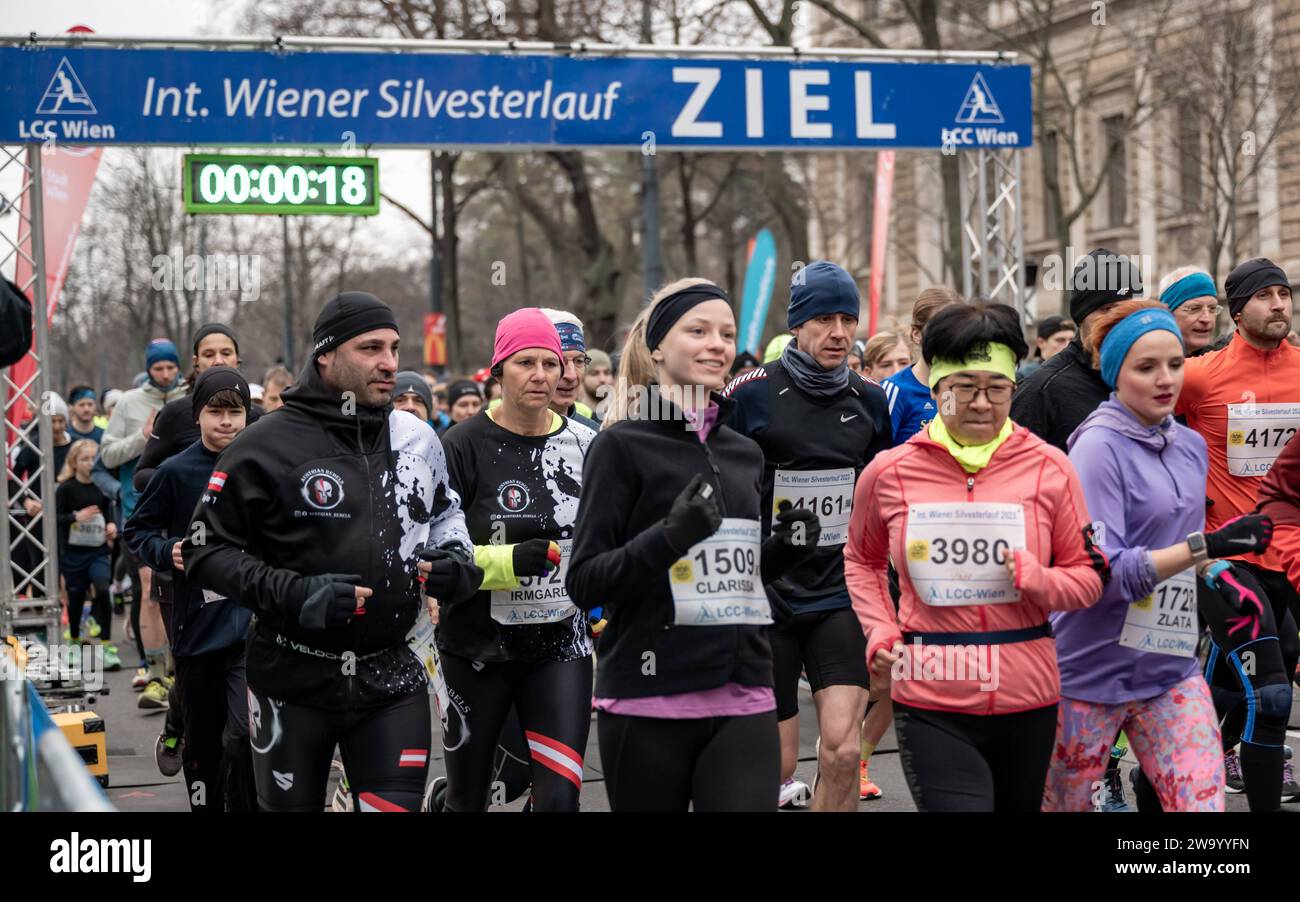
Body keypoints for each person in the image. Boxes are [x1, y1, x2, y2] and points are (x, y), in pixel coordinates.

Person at [185, 291, 481, 812]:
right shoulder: (264, 444)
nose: (389, 363)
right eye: (370, 349)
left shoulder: (415, 437)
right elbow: (205, 552)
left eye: (393, 348)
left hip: (394, 674)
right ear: (326, 355)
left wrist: (457, 559)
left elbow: (444, 514)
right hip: (291, 680)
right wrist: (296, 593)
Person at [845, 301, 1108, 811]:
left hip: (1029, 695)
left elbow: (1088, 580)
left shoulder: (1050, 467)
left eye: (997, 389)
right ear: (938, 389)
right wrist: (880, 630)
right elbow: (861, 559)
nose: (982, 403)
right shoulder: (890, 472)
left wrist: (1038, 580)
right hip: (931, 697)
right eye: (964, 388)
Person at [568, 278, 819, 812]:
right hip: (648, 694)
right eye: (698, 331)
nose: (717, 345)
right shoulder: (621, 446)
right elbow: (585, 581)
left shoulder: (743, 452)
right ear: (657, 346)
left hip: (744, 691)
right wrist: (669, 537)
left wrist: (785, 549)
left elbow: (736, 574)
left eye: (726, 334)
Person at [1045, 300, 1274, 811]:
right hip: (1088, 673)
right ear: (1115, 373)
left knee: (1202, 809)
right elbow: (1107, 572)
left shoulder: (1191, 447)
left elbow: (1182, 547)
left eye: (1174, 363)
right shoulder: (1096, 449)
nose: (1165, 379)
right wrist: (1207, 546)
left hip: (1167, 668)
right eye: (1145, 367)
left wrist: (1219, 573)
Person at [723, 261, 890, 812]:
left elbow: (878, 495)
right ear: (798, 324)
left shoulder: (870, 400)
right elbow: (720, 489)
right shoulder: (748, 396)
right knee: (777, 764)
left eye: (848, 318)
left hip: (838, 593)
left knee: (842, 751)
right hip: (767, 595)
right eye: (823, 319)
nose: (839, 332)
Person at [432, 308, 596, 812]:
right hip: (477, 648)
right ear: (498, 371)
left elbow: (605, 539)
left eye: (551, 363)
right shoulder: (459, 446)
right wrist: (509, 561)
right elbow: (436, 554)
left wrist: (602, 602)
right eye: (526, 362)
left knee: (559, 801)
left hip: (560, 647)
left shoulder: (588, 443)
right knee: (470, 796)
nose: (542, 375)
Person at [1176, 257, 1300, 810]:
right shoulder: (1201, 376)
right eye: (1265, 295)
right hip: (1229, 563)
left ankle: (1170, 770)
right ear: (1237, 310)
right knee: (1272, 695)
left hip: (1291, 557)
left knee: (1229, 690)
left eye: (1284, 293)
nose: (1279, 304)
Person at [126, 368, 257, 812]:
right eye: (215, 412)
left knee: (244, 734)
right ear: (197, 415)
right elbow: (137, 531)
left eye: (235, 412)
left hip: (252, 626)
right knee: (204, 747)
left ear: (247, 415)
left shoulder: (262, 463)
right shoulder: (175, 472)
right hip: (197, 627)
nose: (226, 422)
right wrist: (168, 551)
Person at [101, 338, 187, 707]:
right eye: (158, 369)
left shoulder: (190, 396)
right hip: (142, 508)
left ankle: (181, 668)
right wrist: (142, 436)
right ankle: (155, 673)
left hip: (189, 508)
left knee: (187, 587)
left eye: (171, 368)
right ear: (148, 368)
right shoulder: (129, 403)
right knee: (151, 586)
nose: (165, 375)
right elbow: (106, 455)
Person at [1011, 249, 1143, 453]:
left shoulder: (1147, 378)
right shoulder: (1041, 390)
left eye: (1125, 309)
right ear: (1082, 316)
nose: (1116, 319)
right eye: (1106, 309)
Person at [55, 438, 119, 670]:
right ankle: (73, 641)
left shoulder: (102, 488)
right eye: (85, 459)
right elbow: (55, 519)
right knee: (75, 598)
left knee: (103, 589)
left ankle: (106, 644)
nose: (90, 464)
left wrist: (112, 526)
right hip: (73, 554)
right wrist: (75, 517)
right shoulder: (65, 488)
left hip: (98, 552)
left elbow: (110, 513)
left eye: (94, 459)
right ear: (74, 462)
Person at [880, 287, 961, 445]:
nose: (948, 337)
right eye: (939, 329)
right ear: (916, 334)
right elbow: (876, 461)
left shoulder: (964, 388)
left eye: (955, 328)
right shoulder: (894, 391)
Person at [540, 308, 600, 429]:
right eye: (559, 362)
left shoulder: (592, 433)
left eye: (579, 361)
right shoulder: (498, 433)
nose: (571, 375)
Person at [1158, 268, 1223, 356]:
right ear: (1168, 313)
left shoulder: (1220, 362)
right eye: (1194, 308)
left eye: (1212, 308)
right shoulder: (1145, 360)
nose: (1206, 319)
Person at [1016, 315, 1076, 380]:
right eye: (1060, 340)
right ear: (1041, 343)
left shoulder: (1080, 373)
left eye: (1072, 340)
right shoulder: (1025, 375)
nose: (1067, 345)